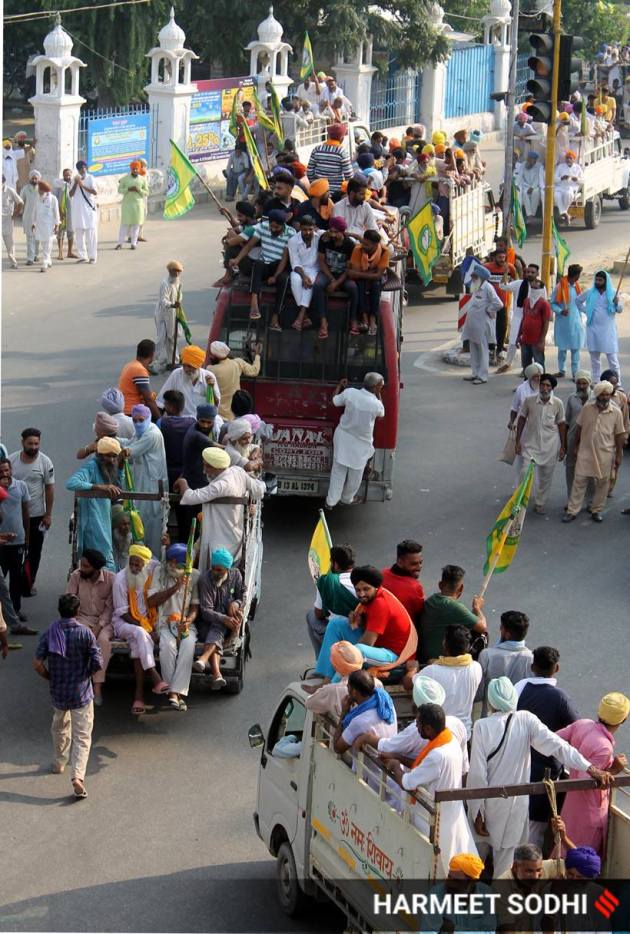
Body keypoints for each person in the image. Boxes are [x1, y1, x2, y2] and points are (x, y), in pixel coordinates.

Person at [468, 677, 610, 877]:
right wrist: (590, 768)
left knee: (475, 860)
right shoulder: (526, 719)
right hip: (515, 805)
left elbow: (477, 774)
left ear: (491, 702)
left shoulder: (482, 726)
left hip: (489, 805)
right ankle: (503, 904)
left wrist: (477, 812)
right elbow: (558, 747)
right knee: (506, 867)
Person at [384, 703, 477, 877]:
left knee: (438, 864)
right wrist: (397, 756)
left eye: (418, 724)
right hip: (449, 813)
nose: (416, 727)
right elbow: (422, 768)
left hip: (432, 819)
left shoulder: (437, 755)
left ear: (428, 728)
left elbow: (408, 781)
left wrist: (395, 766)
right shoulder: (449, 742)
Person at [33, 593, 102, 799]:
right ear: (78, 612)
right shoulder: (85, 633)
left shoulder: (50, 632)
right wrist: (86, 675)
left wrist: (50, 677)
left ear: (59, 610)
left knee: (60, 726)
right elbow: (97, 662)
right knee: (82, 735)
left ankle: (59, 762)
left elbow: (37, 663)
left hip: (59, 692)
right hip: (81, 692)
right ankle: (78, 776)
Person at [515, 645, 580, 850]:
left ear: (532, 666)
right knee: (534, 833)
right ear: (557, 668)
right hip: (545, 775)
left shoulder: (519, 687)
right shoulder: (561, 698)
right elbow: (577, 730)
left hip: (516, 768)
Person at [556, 692, 629, 857]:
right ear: (623, 720)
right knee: (581, 860)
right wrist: (614, 770)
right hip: (588, 814)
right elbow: (586, 782)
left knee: (562, 851)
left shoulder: (582, 724)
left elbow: (554, 741)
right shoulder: (604, 747)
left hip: (571, 806)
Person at [174, 447, 266, 573]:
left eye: (207, 466)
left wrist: (182, 482)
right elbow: (259, 489)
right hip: (233, 535)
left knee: (215, 575)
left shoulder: (221, 485)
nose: (204, 470)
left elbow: (191, 497)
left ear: (216, 468)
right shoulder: (237, 471)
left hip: (220, 540)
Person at [314, 565, 412, 679]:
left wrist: (344, 651)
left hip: (393, 655)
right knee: (336, 624)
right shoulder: (371, 598)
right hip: (378, 645)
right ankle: (325, 675)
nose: (361, 594)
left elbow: (367, 643)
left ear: (376, 587)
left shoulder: (380, 604)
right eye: (358, 590)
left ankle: (330, 686)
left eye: (366, 589)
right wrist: (359, 623)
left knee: (355, 651)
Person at [112, 544, 170, 714]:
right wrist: (146, 628)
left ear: (146, 564)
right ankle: (154, 675)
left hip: (147, 623)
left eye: (138, 565)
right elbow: (122, 613)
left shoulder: (151, 567)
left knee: (139, 644)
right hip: (124, 624)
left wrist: (165, 545)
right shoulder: (120, 580)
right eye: (131, 563)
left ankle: (139, 697)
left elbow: (167, 565)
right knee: (140, 633)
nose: (134, 568)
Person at [563, 380, 625, 523]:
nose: (604, 397)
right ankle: (572, 511)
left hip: (605, 453)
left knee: (602, 483)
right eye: (602, 395)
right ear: (597, 395)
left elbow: (619, 435)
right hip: (585, 451)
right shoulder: (587, 408)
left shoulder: (616, 412)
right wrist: (575, 446)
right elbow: (579, 427)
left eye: (607, 395)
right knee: (579, 481)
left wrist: (618, 455)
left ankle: (596, 511)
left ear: (610, 395)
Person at [147, 542, 199, 710]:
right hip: (163, 623)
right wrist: (175, 587)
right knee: (167, 647)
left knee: (188, 645)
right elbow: (151, 601)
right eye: (170, 561)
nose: (173, 565)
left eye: (177, 563)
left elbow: (195, 606)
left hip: (184, 623)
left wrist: (189, 620)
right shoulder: (159, 573)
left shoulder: (194, 576)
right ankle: (172, 692)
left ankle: (177, 691)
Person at [325, 373, 385, 509]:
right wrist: (379, 394)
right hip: (361, 444)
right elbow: (381, 416)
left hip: (343, 437)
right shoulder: (376, 404)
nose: (382, 387)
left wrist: (340, 385)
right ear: (375, 387)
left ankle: (331, 501)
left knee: (338, 471)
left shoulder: (350, 393)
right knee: (355, 475)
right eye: (381, 386)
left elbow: (334, 400)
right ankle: (347, 499)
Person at [228, 209, 296, 322]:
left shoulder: (291, 233)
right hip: (264, 264)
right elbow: (249, 245)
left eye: (276, 228)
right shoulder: (263, 226)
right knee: (258, 263)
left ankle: (275, 316)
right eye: (271, 227)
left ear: (283, 225)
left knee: (283, 280)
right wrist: (237, 259)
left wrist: (275, 276)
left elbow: (284, 258)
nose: (273, 230)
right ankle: (254, 303)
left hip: (278, 265)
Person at [66, 437, 123, 572]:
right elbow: (71, 483)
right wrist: (99, 487)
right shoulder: (92, 466)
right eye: (109, 456)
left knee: (99, 560)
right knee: (103, 560)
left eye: (115, 456)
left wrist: (120, 467)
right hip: (92, 521)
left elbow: (117, 485)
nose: (112, 460)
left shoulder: (109, 468)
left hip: (103, 518)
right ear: (100, 455)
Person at [9, 428, 54, 596]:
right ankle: (13, 584)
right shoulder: (12, 460)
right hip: (14, 516)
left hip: (36, 516)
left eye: (36, 443)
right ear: (22, 442)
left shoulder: (45, 462)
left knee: (34, 552)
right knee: (14, 551)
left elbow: (49, 489)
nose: (34, 447)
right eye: (30, 443)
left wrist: (48, 514)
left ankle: (29, 583)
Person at [66, 549, 115, 706]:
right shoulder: (76, 576)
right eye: (81, 564)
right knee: (77, 639)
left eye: (86, 566)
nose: (82, 568)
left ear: (96, 568)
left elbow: (110, 608)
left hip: (106, 622)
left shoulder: (111, 579)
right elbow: (70, 602)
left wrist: (97, 628)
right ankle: (77, 684)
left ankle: (97, 687)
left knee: (103, 643)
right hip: (82, 618)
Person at [195, 547, 245, 689]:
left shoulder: (236, 575)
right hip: (206, 624)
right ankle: (216, 674)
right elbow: (205, 611)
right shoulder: (205, 579)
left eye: (219, 570)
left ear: (227, 569)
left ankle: (205, 661)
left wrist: (236, 603)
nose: (215, 573)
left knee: (220, 627)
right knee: (219, 626)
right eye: (214, 569)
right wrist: (224, 619)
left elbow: (242, 596)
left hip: (227, 624)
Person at [515, 373, 566, 514]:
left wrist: (563, 447)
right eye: (542, 384)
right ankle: (520, 502)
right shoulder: (529, 401)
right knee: (524, 473)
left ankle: (540, 503)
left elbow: (562, 425)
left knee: (546, 477)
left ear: (552, 388)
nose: (544, 388)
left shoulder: (558, 403)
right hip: (530, 445)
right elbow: (521, 420)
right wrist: (517, 441)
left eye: (548, 385)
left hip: (550, 446)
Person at [421, 626, 482, 739]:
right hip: (464, 734)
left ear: (445, 645)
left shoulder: (431, 671)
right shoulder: (476, 668)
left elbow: (408, 683)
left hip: (441, 736)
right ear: (467, 647)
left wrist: (412, 670)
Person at [418, 565, 487, 665]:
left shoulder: (432, 600)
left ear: (440, 584)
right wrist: (477, 608)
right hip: (436, 658)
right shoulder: (453, 607)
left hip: (423, 653)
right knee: (482, 636)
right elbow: (482, 627)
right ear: (461, 588)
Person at [123, 404, 169, 555]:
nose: (137, 423)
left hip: (153, 487)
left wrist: (116, 449)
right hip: (143, 486)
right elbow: (129, 443)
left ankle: (152, 562)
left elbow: (131, 451)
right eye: (135, 420)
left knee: (152, 528)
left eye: (141, 420)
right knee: (140, 522)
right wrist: (112, 440)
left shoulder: (152, 434)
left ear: (149, 419)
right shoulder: (140, 433)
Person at [311, 216, 358, 339]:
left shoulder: (350, 245)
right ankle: (323, 321)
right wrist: (331, 279)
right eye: (331, 231)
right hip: (327, 272)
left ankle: (353, 319)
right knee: (317, 286)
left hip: (343, 275)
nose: (333, 234)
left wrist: (336, 284)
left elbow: (348, 269)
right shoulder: (324, 239)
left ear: (342, 232)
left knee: (353, 288)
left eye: (336, 232)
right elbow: (321, 261)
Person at [478, 610, 532, 715]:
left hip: (490, 719)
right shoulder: (532, 658)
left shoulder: (487, 655)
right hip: (518, 719)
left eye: (501, 628)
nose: (499, 629)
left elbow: (478, 693)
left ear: (507, 634)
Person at [306, 543, 356, 657]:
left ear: (335, 564)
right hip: (361, 632)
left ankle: (320, 660)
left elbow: (318, 614)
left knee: (310, 615)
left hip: (339, 636)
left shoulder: (327, 581)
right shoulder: (365, 581)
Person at [332, 669, 397, 757]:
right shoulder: (387, 703)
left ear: (354, 691)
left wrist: (344, 713)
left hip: (367, 769)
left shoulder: (360, 722)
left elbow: (337, 748)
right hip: (389, 760)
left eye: (348, 687)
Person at [497, 265, 547, 374]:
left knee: (533, 346)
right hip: (518, 317)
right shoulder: (519, 284)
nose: (529, 274)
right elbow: (502, 286)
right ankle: (508, 364)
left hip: (533, 320)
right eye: (528, 272)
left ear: (537, 274)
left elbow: (544, 303)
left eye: (532, 272)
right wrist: (505, 274)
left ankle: (533, 370)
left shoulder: (541, 286)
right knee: (512, 342)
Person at [0, 458, 31, 625]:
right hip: (1, 543)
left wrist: (26, 537)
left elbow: (26, 512)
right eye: (1, 471)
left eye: (7, 470)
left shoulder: (21, 486)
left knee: (16, 578)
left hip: (17, 540)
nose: (5, 474)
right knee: (1, 580)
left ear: (11, 470)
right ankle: (2, 613)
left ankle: (15, 610)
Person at [577, 270, 623, 381]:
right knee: (595, 360)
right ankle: (597, 381)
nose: (597, 282)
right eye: (596, 280)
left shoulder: (613, 292)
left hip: (608, 331)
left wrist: (616, 303)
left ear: (605, 281)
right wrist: (586, 311)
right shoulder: (590, 292)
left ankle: (618, 383)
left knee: (612, 359)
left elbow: (620, 310)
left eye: (600, 280)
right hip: (593, 330)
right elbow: (578, 301)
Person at [461, 263, 503, 384]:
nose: (472, 278)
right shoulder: (476, 287)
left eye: (474, 276)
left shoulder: (488, 288)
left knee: (483, 350)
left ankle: (483, 376)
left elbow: (499, 304)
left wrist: (489, 310)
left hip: (482, 326)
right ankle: (475, 373)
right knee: (473, 349)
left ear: (481, 277)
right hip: (473, 325)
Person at [280, 213, 321, 331]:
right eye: (304, 230)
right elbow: (295, 263)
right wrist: (303, 276)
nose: (307, 232)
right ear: (300, 228)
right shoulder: (293, 240)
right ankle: (305, 316)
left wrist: (307, 278)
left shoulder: (319, 237)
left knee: (310, 284)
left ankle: (300, 316)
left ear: (314, 228)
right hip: (299, 270)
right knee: (295, 281)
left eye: (310, 229)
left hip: (314, 269)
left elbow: (328, 232)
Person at [156, 344, 220, 417]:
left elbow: (216, 405)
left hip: (202, 422)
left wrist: (211, 388)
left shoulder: (209, 377)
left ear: (199, 366)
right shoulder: (176, 374)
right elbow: (160, 402)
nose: (186, 369)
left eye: (190, 366)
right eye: (184, 365)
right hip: (182, 421)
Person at [347, 230, 389, 337]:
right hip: (361, 280)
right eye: (363, 243)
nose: (364, 246)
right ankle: (364, 318)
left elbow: (378, 275)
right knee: (359, 286)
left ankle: (372, 319)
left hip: (375, 280)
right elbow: (354, 274)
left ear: (375, 245)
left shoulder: (384, 251)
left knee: (375, 286)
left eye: (367, 244)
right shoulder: (358, 249)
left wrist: (363, 273)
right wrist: (371, 273)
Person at [206, 340, 262, 421]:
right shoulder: (237, 363)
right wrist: (257, 354)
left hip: (217, 417)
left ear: (214, 357)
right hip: (233, 416)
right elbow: (254, 371)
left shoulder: (210, 369)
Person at [380, 540, 425, 634]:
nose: (419, 567)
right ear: (400, 562)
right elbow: (421, 614)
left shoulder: (382, 574)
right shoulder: (414, 587)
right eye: (414, 564)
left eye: (420, 562)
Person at [551, 263, 584, 379]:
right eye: (578, 275)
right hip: (563, 322)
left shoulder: (577, 287)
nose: (579, 277)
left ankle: (576, 373)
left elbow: (580, 304)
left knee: (576, 349)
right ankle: (562, 370)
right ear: (575, 275)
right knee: (562, 349)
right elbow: (552, 303)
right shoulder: (560, 287)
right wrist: (560, 311)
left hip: (576, 321)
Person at [484, 245, 517, 363]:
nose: (502, 259)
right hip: (490, 304)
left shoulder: (510, 268)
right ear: (494, 258)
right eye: (499, 257)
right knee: (490, 328)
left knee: (502, 327)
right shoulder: (487, 267)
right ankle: (491, 349)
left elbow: (516, 280)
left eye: (503, 257)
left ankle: (499, 350)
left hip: (503, 303)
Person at [152, 260, 185, 374]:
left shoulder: (177, 281)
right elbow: (163, 300)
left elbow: (180, 295)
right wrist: (172, 305)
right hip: (163, 314)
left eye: (179, 272)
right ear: (170, 271)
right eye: (175, 271)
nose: (177, 274)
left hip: (173, 314)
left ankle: (173, 362)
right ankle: (152, 362)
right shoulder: (165, 283)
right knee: (161, 339)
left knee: (172, 338)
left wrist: (178, 303)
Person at [158, 390, 195, 490]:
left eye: (165, 404)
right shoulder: (192, 422)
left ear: (170, 407)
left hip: (167, 470)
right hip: (186, 471)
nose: (164, 407)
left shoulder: (161, 423)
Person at [564, 370, 592, 499]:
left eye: (584, 383)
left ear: (589, 383)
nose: (581, 386)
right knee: (571, 470)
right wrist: (564, 443)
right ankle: (572, 500)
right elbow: (567, 422)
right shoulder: (571, 398)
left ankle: (590, 502)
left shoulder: (595, 399)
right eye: (578, 383)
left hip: (590, 441)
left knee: (590, 471)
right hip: (572, 439)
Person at [118, 339, 160, 419]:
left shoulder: (130, 365)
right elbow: (148, 400)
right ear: (152, 354)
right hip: (131, 412)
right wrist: (160, 420)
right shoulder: (139, 370)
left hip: (124, 409)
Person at [306, 123, 353, 193]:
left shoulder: (317, 149)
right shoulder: (342, 152)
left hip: (320, 192)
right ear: (342, 138)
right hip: (336, 193)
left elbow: (309, 172)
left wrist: (317, 186)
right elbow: (349, 176)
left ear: (328, 136)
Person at [516, 280, 552, 370]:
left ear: (541, 290)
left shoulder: (544, 304)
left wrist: (542, 340)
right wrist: (518, 335)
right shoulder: (526, 302)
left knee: (539, 366)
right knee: (526, 367)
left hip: (536, 341)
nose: (533, 290)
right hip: (525, 340)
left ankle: (540, 383)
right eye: (532, 288)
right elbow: (523, 318)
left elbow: (546, 323)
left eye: (536, 288)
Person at [70, 160, 98, 264]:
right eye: (80, 168)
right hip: (78, 211)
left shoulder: (91, 178)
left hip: (88, 211)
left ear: (86, 168)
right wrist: (76, 184)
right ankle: (82, 256)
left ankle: (92, 257)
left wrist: (82, 185)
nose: (83, 169)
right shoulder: (75, 179)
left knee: (91, 234)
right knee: (78, 234)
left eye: (84, 167)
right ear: (78, 169)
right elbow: (71, 194)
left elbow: (94, 192)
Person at [115, 161, 148, 250]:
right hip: (127, 205)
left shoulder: (142, 179)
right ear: (131, 169)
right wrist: (128, 189)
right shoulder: (125, 179)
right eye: (133, 169)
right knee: (124, 225)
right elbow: (119, 190)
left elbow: (147, 192)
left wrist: (139, 190)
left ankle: (133, 243)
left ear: (139, 169)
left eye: (136, 169)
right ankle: (119, 244)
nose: (135, 170)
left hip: (138, 205)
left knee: (136, 225)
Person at [33, 180, 60, 273]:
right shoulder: (37, 198)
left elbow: (56, 213)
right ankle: (49, 259)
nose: (39, 192)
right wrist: (33, 223)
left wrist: (57, 225)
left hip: (49, 225)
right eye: (39, 190)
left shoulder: (53, 199)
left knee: (48, 243)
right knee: (44, 243)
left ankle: (45, 262)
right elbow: (34, 211)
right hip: (40, 225)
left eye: (40, 190)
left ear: (45, 190)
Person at [554, 151, 583, 223]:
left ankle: (564, 213)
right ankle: (566, 214)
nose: (568, 160)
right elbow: (554, 179)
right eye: (567, 158)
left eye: (570, 158)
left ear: (574, 159)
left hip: (572, 188)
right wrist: (561, 178)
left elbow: (583, 180)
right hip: (560, 187)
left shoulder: (577, 167)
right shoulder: (560, 166)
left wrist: (577, 179)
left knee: (568, 194)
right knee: (556, 195)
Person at [54, 167, 76, 260]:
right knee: (60, 232)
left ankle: (70, 252)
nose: (67, 176)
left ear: (71, 175)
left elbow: (72, 196)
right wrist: (58, 211)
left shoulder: (74, 183)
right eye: (65, 175)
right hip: (61, 211)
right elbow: (56, 198)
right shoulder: (59, 184)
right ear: (63, 175)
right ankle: (60, 253)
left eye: (69, 175)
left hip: (71, 211)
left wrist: (75, 185)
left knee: (71, 232)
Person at [515, 151, 544, 217]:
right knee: (524, 193)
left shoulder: (539, 166)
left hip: (535, 186)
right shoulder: (524, 164)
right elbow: (520, 175)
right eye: (528, 158)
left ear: (535, 160)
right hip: (525, 185)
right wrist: (516, 184)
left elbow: (538, 177)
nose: (528, 160)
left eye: (531, 159)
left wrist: (532, 187)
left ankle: (533, 214)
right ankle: (529, 214)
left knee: (536, 192)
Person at [2, 174, 22, 269]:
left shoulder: (10, 191)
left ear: (3, 181)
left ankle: (13, 262)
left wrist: (15, 214)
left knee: (9, 244)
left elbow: (20, 202)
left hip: (7, 221)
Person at [21, 169, 40, 266]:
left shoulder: (41, 189)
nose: (34, 179)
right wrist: (19, 211)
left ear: (38, 179)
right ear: (30, 179)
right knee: (30, 238)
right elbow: (21, 201)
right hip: (28, 217)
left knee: (37, 238)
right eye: (32, 178)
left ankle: (36, 254)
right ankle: (30, 258)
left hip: (39, 217)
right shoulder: (25, 189)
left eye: (36, 178)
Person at [111, 505, 132, 571]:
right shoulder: (110, 539)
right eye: (124, 524)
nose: (127, 527)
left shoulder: (131, 538)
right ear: (116, 525)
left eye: (128, 524)